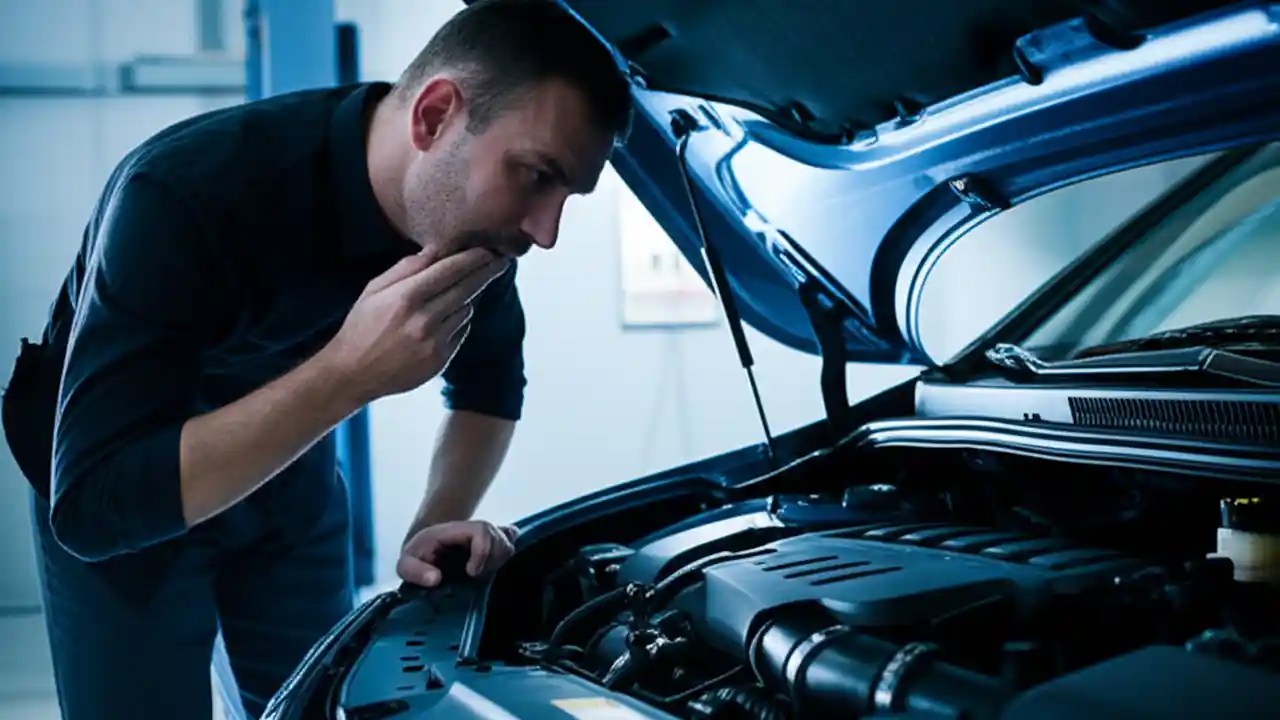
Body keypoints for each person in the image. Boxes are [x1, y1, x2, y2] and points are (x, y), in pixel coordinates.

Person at [2, 0, 632, 717]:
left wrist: (434, 523)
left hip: (289, 480)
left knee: (320, 704)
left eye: (569, 196)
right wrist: (348, 375)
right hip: (121, 477)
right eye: (536, 175)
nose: (545, 232)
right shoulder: (181, 192)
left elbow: (489, 387)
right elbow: (94, 509)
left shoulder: (472, 227)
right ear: (434, 117)